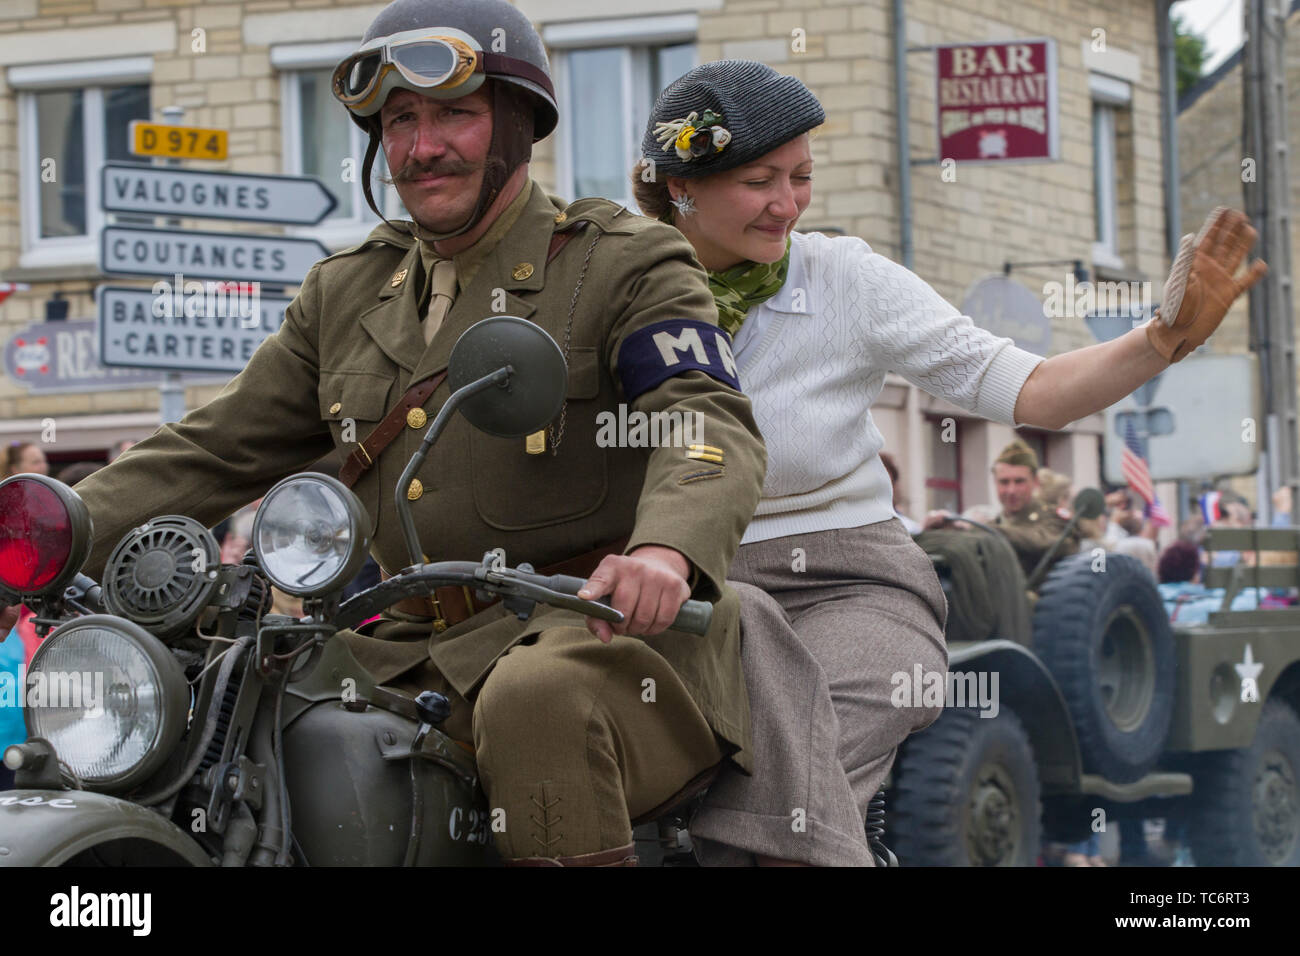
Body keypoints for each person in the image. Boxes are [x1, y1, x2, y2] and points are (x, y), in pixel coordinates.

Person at [0, 0, 766, 867]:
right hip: (397, 644)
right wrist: (29, 543)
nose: (421, 146)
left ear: (517, 127)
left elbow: (703, 419)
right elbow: (216, 449)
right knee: (215, 724)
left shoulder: (621, 262)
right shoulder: (348, 292)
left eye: (453, 114)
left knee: (535, 698)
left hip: (601, 636)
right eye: (399, 120)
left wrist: (665, 551)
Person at [632, 58, 1266, 866]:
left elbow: (1030, 390)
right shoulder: (616, 283)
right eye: (760, 180)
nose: (788, 205)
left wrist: (1159, 340)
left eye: (802, 176)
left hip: (851, 581)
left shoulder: (844, 279)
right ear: (682, 185)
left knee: (813, 728)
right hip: (685, 583)